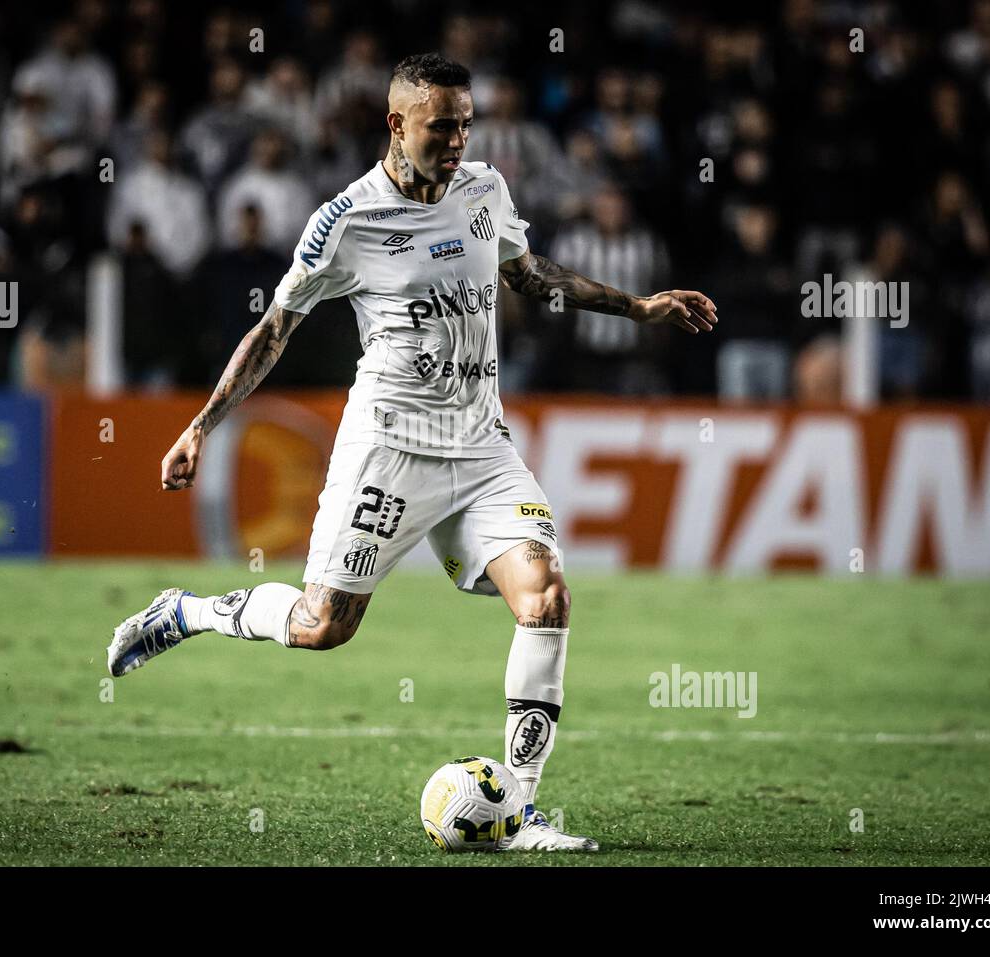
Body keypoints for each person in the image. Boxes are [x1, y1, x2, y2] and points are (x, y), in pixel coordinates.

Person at [106, 54, 718, 852]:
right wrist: (201, 425)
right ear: (397, 124)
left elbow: (529, 278)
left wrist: (636, 306)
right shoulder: (347, 221)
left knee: (548, 597)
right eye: (443, 125)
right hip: (390, 449)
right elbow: (274, 331)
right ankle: (185, 612)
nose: (459, 139)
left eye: (466, 122)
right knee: (321, 625)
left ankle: (519, 814)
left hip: (482, 443)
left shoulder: (483, 191)